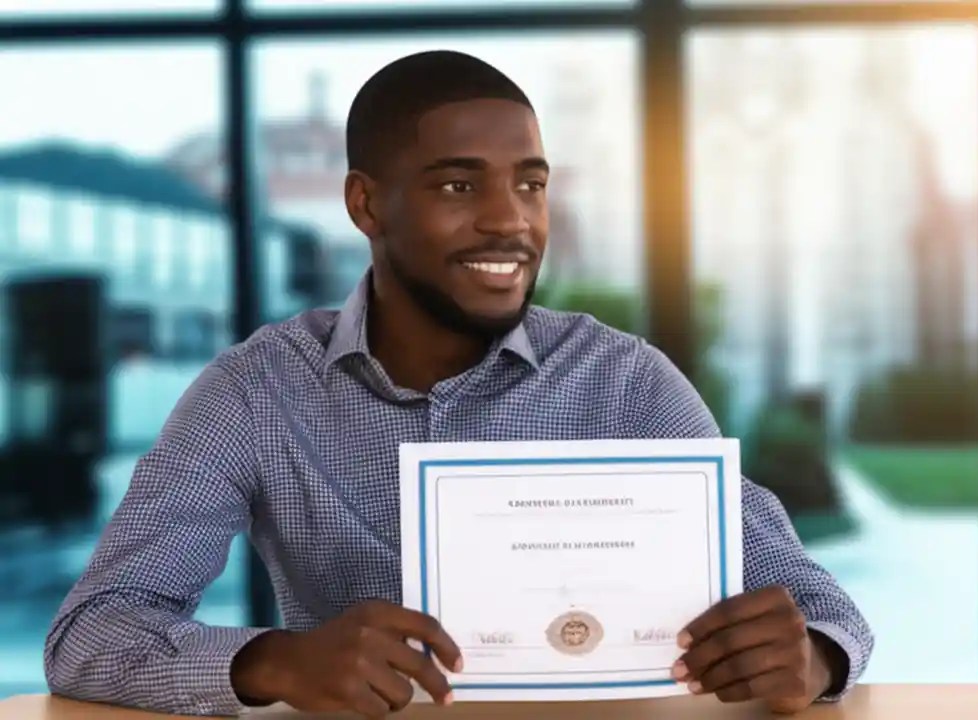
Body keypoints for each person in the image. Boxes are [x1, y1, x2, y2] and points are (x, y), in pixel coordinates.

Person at [44, 50, 874, 718]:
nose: (510, 219)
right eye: (457, 184)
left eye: (532, 183)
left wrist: (810, 654)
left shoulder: (626, 383)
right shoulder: (257, 394)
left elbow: (820, 604)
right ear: (366, 206)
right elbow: (90, 633)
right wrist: (276, 662)